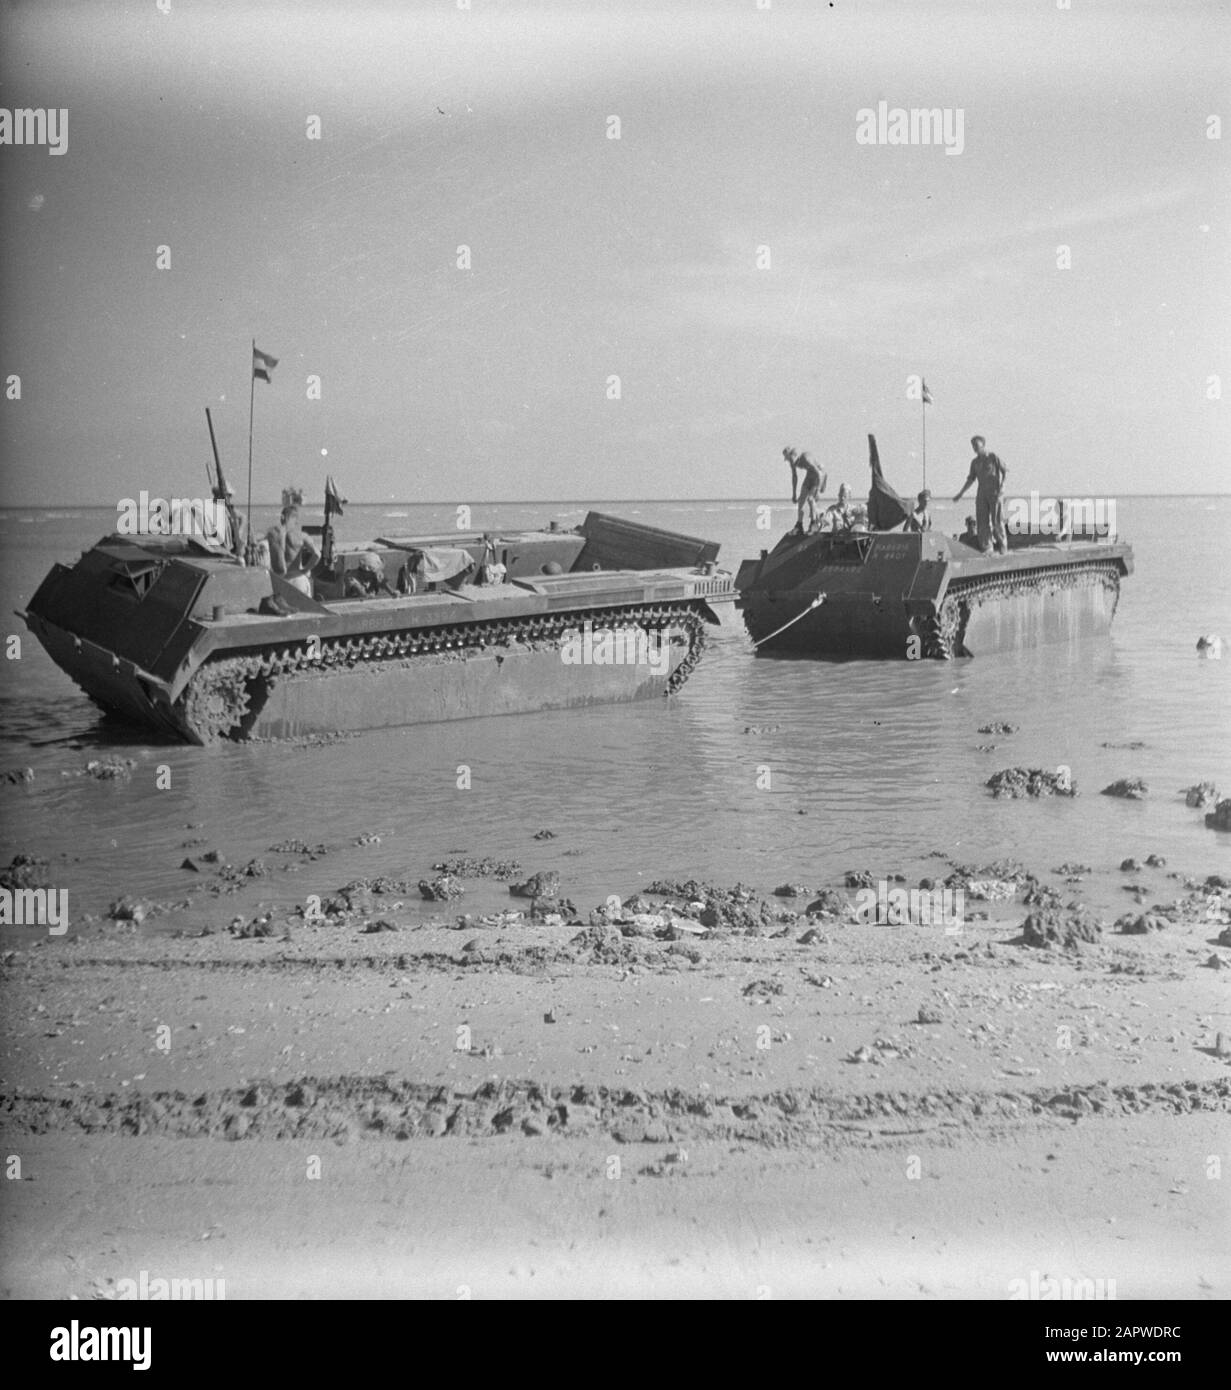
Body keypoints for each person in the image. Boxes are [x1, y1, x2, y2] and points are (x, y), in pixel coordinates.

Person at [953, 436, 1007, 554]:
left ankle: (1002, 545)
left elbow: (1005, 471)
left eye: (976, 445)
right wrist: (961, 493)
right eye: (973, 446)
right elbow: (970, 479)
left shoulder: (993, 457)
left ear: (983, 445)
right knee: (982, 522)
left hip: (994, 492)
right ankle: (987, 547)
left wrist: (1002, 486)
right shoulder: (975, 462)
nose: (975, 448)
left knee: (997, 521)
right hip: (982, 492)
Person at [785, 446, 826, 534]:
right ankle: (799, 525)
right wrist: (794, 494)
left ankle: (814, 523)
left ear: (794, 455)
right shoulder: (793, 462)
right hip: (810, 475)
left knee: (811, 499)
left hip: (819, 474)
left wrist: (818, 490)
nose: (788, 461)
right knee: (801, 500)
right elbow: (794, 477)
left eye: (788, 458)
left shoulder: (805, 458)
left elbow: (819, 473)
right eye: (787, 459)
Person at [265, 503, 304, 577]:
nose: (297, 523)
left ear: (281, 518)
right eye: (296, 520)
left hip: (277, 575)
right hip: (288, 575)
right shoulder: (294, 536)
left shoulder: (271, 532)